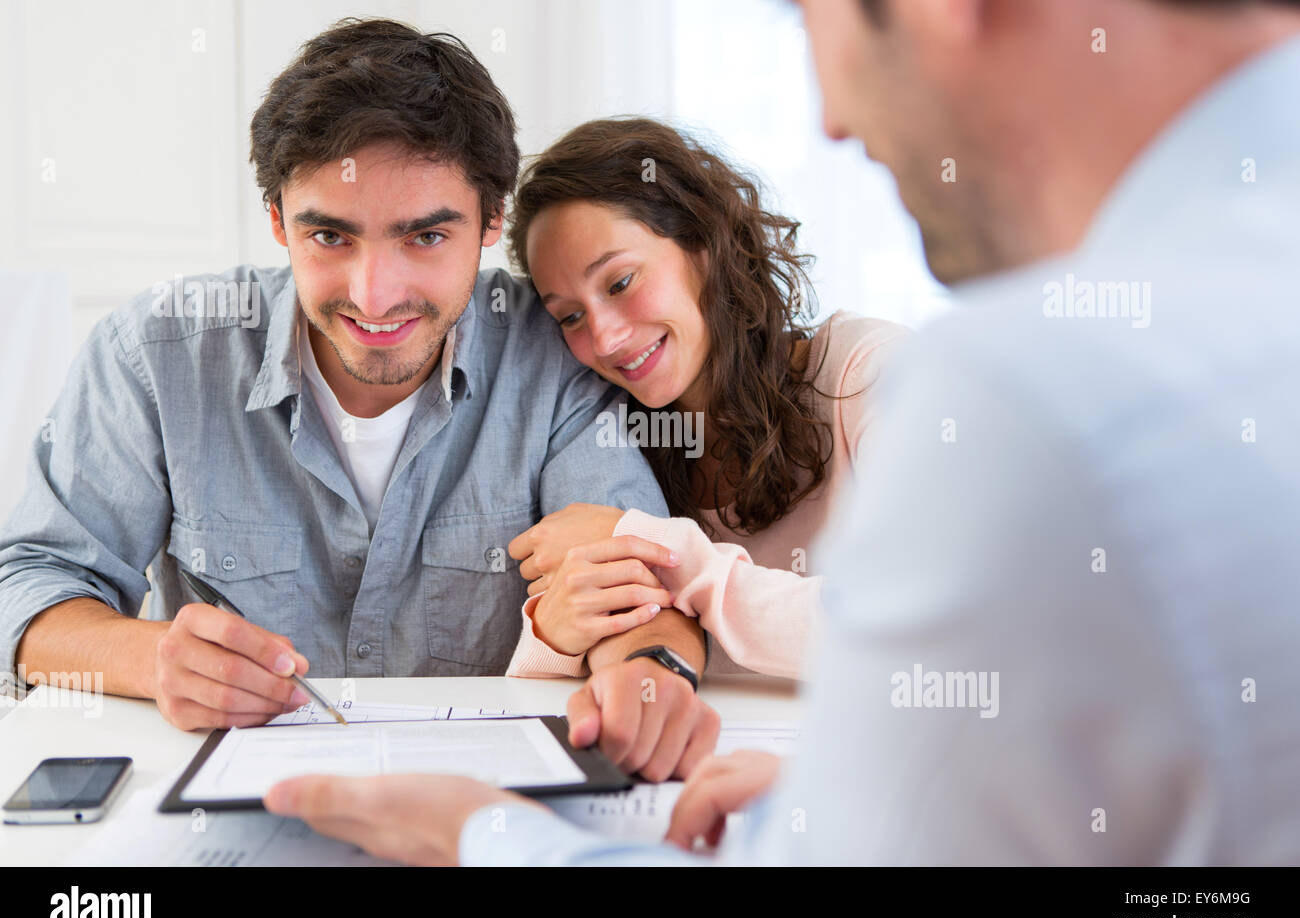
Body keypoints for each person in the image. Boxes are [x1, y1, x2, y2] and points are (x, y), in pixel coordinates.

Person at [265, 0, 1300, 865]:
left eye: (621, 283)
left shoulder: (950, 385)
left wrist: (485, 836)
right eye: (568, 313)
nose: (834, 118)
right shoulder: (619, 429)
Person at [0, 18, 720, 781]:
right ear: (278, 219)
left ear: (490, 225)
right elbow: (31, 585)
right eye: (331, 238)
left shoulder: (554, 352)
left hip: (480, 806)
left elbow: (635, 584)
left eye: (426, 238)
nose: (375, 296)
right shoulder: (157, 352)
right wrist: (150, 658)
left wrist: (646, 675)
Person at [500, 117, 907, 681]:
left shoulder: (870, 376)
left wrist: (658, 548)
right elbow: (592, 709)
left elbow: (923, 628)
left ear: (705, 245)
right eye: (570, 316)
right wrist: (552, 640)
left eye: (620, 283)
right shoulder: (614, 447)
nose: (606, 338)